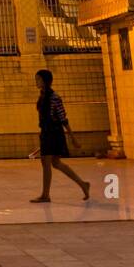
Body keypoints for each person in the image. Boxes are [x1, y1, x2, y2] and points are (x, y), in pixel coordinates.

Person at [31, 68, 90, 203]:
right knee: (55, 163)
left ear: (46, 81)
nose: (36, 81)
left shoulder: (54, 97)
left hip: (53, 133)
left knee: (46, 163)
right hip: (46, 132)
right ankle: (83, 184)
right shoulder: (42, 96)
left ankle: (45, 195)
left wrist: (73, 138)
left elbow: (63, 118)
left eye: (39, 79)